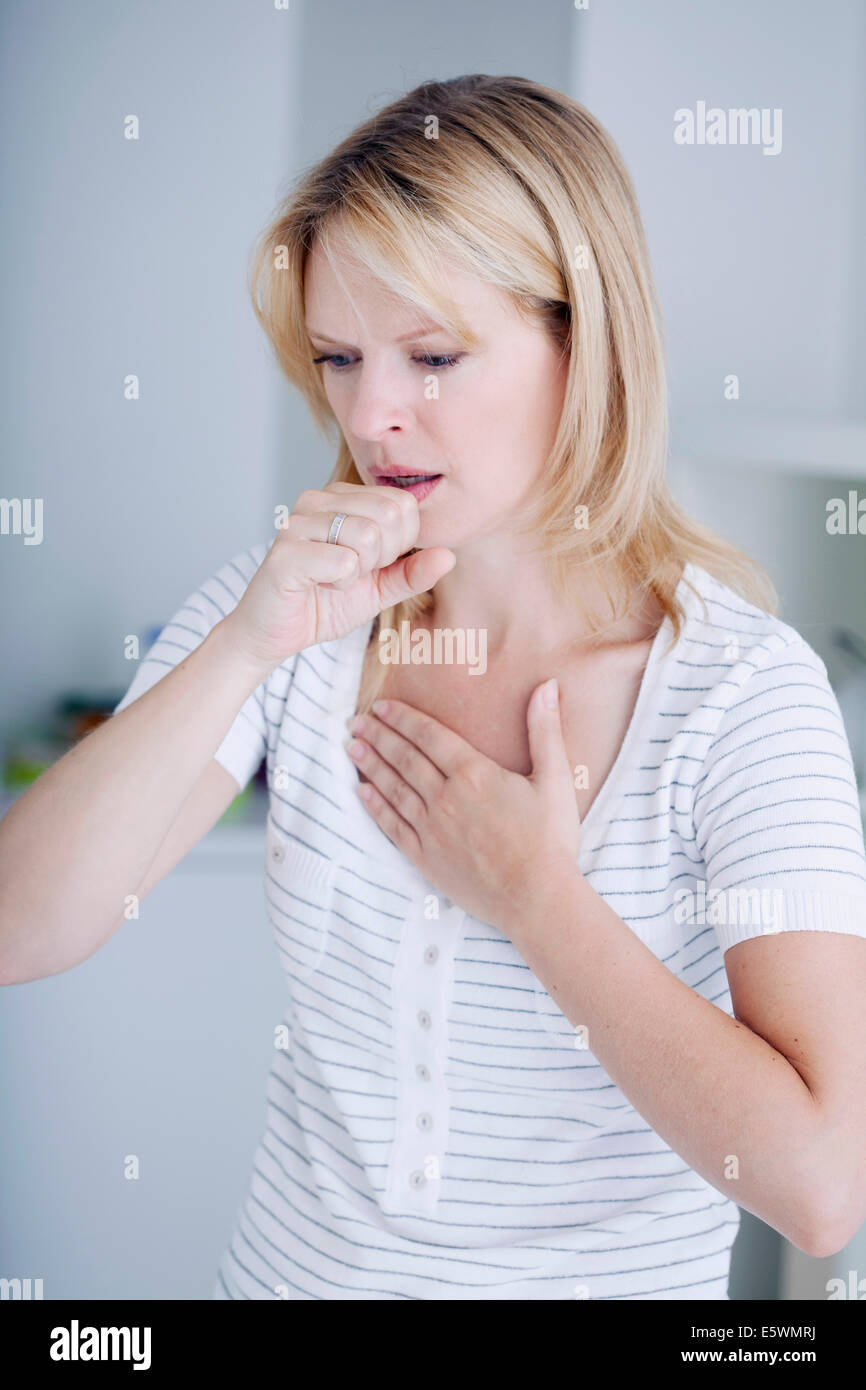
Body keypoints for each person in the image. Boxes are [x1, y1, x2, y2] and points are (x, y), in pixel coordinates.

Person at [3, 74, 865, 1301]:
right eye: (339, 357)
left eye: (432, 355)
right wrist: (245, 646)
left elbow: (821, 1184)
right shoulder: (285, 613)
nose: (369, 412)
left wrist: (537, 903)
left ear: (586, 339)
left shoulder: (741, 696)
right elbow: (21, 929)